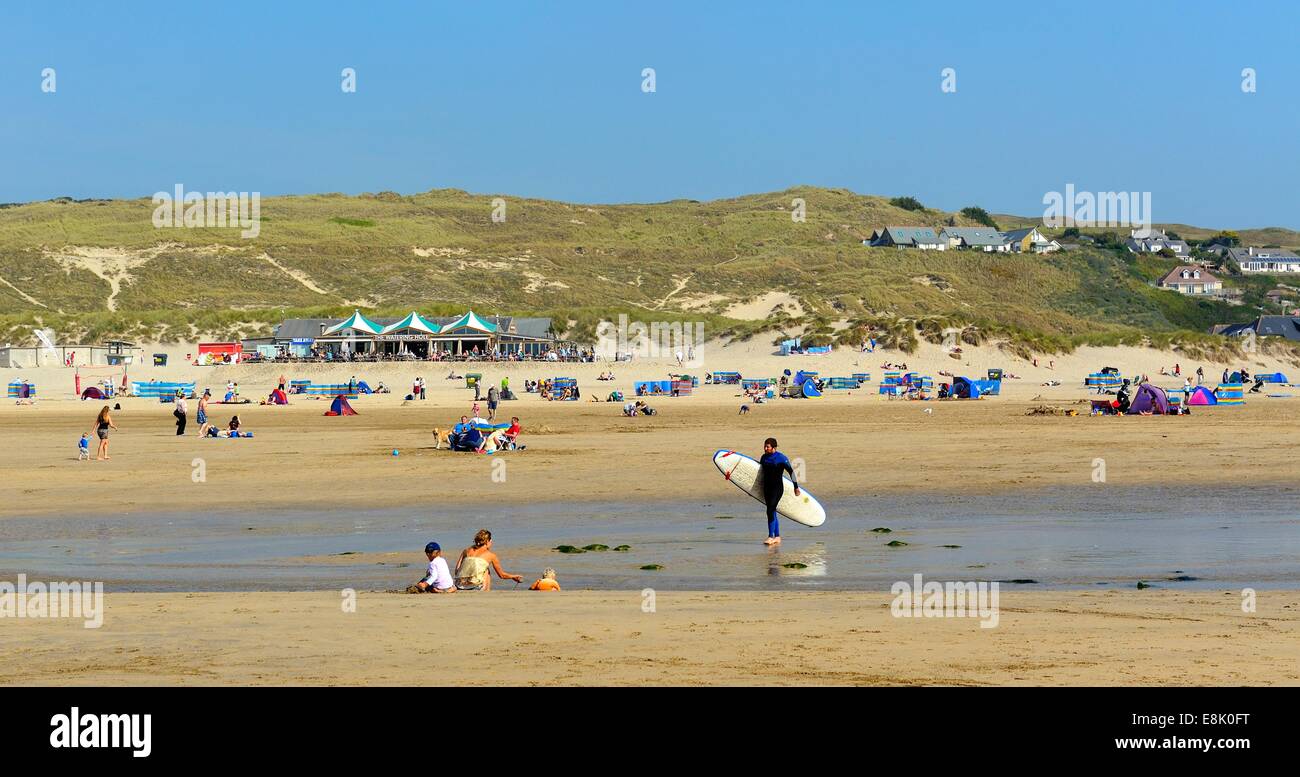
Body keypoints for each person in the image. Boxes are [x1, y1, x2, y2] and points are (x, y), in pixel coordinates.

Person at [758, 437, 799, 546]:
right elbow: (760, 474)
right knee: (772, 510)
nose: (765, 448)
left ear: (774, 447)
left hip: (777, 489)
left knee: (770, 510)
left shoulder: (781, 458)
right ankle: (777, 536)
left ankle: (771, 537)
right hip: (766, 488)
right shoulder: (763, 458)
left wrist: (796, 487)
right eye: (765, 446)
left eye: (768, 446)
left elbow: (791, 472)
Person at [454, 530, 522, 591]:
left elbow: (457, 571)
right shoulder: (491, 555)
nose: (491, 543)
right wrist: (513, 576)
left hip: (459, 585)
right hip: (475, 587)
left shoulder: (466, 551)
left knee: (475, 566)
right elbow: (501, 575)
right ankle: (487, 592)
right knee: (486, 570)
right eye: (491, 541)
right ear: (487, 542)